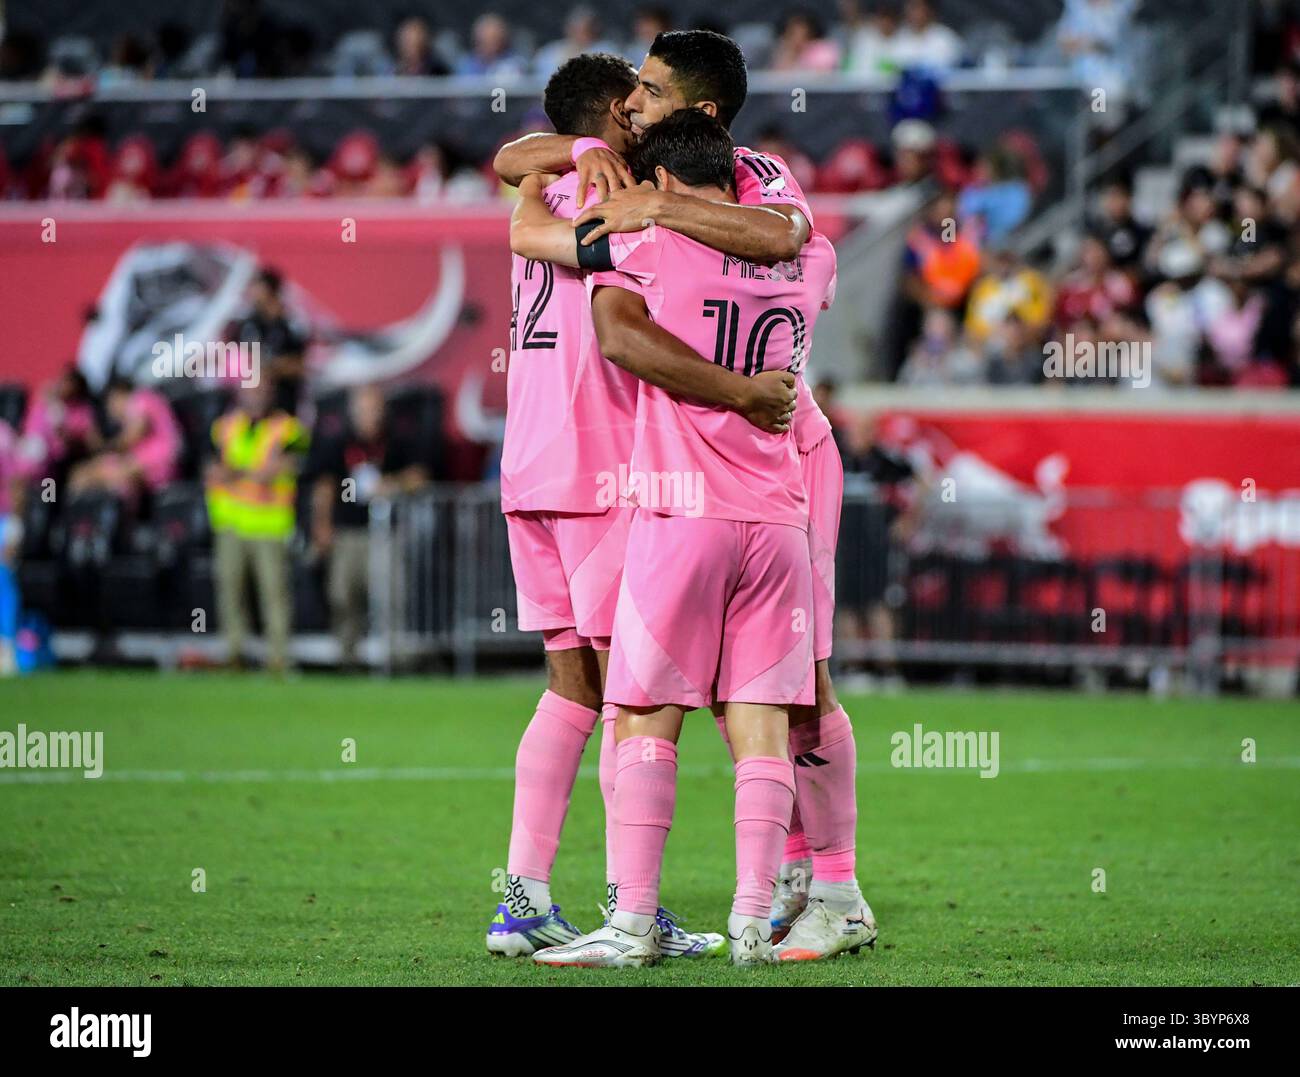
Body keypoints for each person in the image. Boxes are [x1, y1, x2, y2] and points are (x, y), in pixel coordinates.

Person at [495, 28, 875, 963]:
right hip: (650, 468)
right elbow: (523, 188)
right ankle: (698, 894)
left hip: (753, 460)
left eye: (652, 90)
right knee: (663, 692)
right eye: (628, 93)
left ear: (701, 112)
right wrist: (612, 179)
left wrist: (652, 212)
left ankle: (825, 884)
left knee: (783, 685)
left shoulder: (752, 177)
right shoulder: (614, 175)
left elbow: (785, 233)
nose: (634, 104)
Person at [309, 384, 429, 668]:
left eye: (374, 409)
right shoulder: (338, 443)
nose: (370, 416)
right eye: (364, 410)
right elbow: (324, 486)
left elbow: (420, 475)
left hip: (385, 535)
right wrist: (322, 524)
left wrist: (393, 484)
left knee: (390, 596)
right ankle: (346, 656)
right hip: (348, 532)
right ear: (352, 412)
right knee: (342, 595)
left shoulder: (397, 441)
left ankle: (392, 657)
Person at [206, 378, 308, 673]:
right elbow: (213, 468)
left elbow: (287, 466)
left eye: (263, 391)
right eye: (252, 391)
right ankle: (234, 653)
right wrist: (254, 472)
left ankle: (278, 657)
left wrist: (240, 472)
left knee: (274, 592)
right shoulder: (224, 427)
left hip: (269, 523)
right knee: (229, 589)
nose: (257, 397)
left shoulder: (287, 428)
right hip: (231, 522)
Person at [68, 378, 181, 503]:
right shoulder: (132, 411)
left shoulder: (142, 398)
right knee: (81, 473)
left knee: (114, 476)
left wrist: (104, 447)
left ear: (118, 394)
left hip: (161, 462)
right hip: (139, 462)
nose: (110, 410)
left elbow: (135, 433)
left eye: (111, 403)